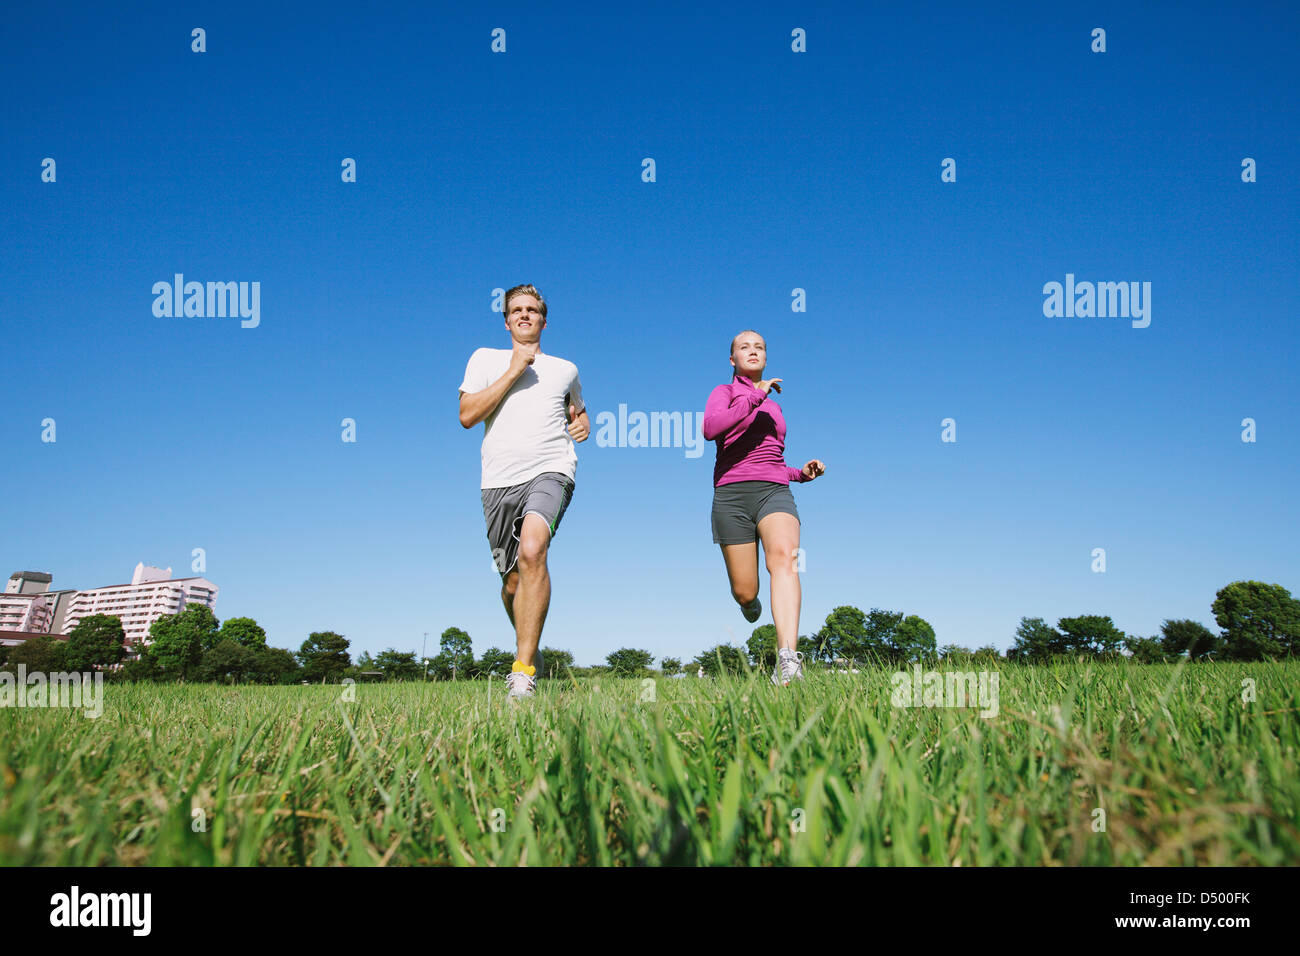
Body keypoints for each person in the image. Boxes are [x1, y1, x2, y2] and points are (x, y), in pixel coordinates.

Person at [458, 284, 589, 699]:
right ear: (506, 320)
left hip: (552, 470)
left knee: (533, 550)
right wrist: (515, 369)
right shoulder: (485, 359)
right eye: (516, 310)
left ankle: (522, 671)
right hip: (497, 481)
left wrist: (583, 422)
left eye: (532, 310)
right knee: (513, 583)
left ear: (543, 320)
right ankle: (529, 644)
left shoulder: (566, 368)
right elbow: (467, 415)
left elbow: (578, 409)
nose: (525, 315)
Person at [703, 330, 825, 686]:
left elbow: (770, 460)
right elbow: (712, 429)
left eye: (759, 347)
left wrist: (800, 474)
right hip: (731, 496)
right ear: (732, 360)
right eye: (744, 347)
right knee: (745, 590)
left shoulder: (773, 403)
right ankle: (749, 604)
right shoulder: (724, 393)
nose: (752, 351)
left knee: (785, 559)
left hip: (775, 492)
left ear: (766, 357)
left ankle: (787, 660)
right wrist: (754, 397)